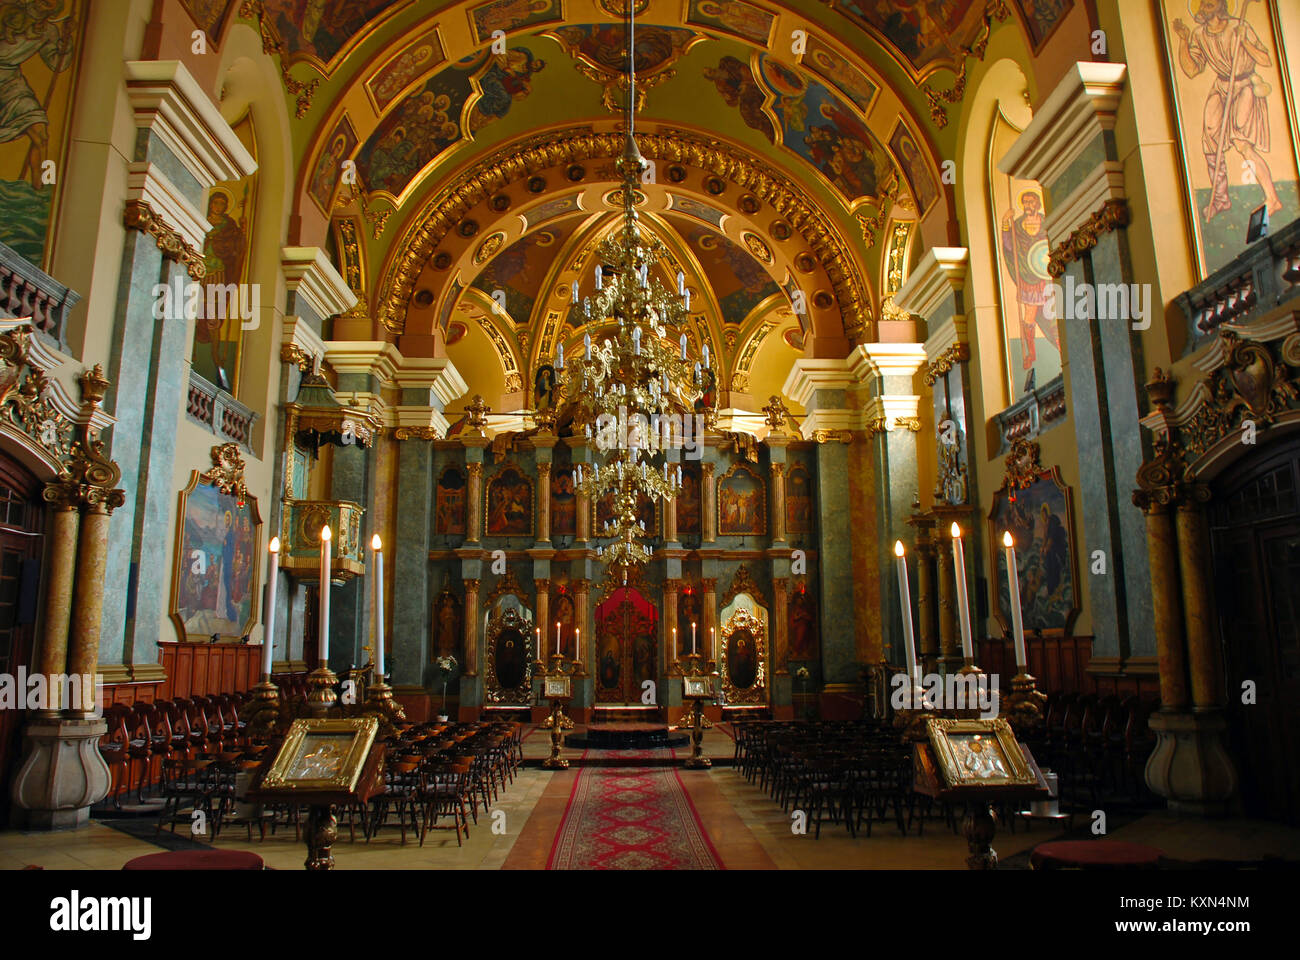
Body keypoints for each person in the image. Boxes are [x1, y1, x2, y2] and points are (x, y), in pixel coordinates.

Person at [1173, 0, 1282, 220]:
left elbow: (1266, 59)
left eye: (1211, 2)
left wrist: (1246, 44)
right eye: (1203, 3)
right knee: (1210, 140)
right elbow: (1192, 70)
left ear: (1222, 4)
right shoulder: (1199, 34)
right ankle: (1221, 199)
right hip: (1222, 87)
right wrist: (1184, 40)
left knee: (1242, 144)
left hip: (1244, 85)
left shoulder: (1238, 26)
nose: (1206, 5)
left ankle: (1273, 198)